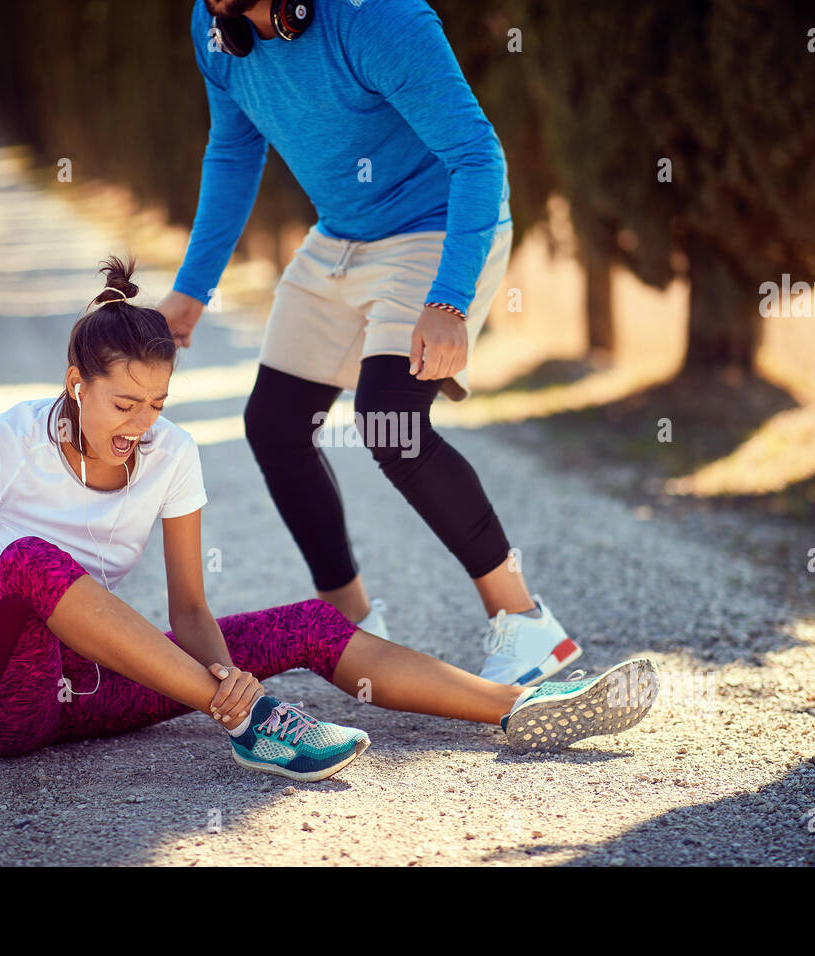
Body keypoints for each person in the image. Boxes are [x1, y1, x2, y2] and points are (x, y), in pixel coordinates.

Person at [0, 257, 659, 780]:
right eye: (124, 403)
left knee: (310, 622)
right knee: (26, 559)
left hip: (102, 691)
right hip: (2, 703)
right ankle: (249, 724)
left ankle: (519, 706)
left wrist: (223, 672)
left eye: (158, 403)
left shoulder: (173, 454)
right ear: (75, 383)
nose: (143, 424)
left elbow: (192, 612)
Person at [155, 0, 580, 687]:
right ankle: (350, 628)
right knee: (274, 424)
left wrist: (448, 300)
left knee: (391, 422)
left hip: (437, 227)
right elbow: (234, 150)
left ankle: (528, 625)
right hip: (342, 235)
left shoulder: (377, 17)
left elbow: (478, 155)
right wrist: (192, 289)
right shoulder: (215, 29)